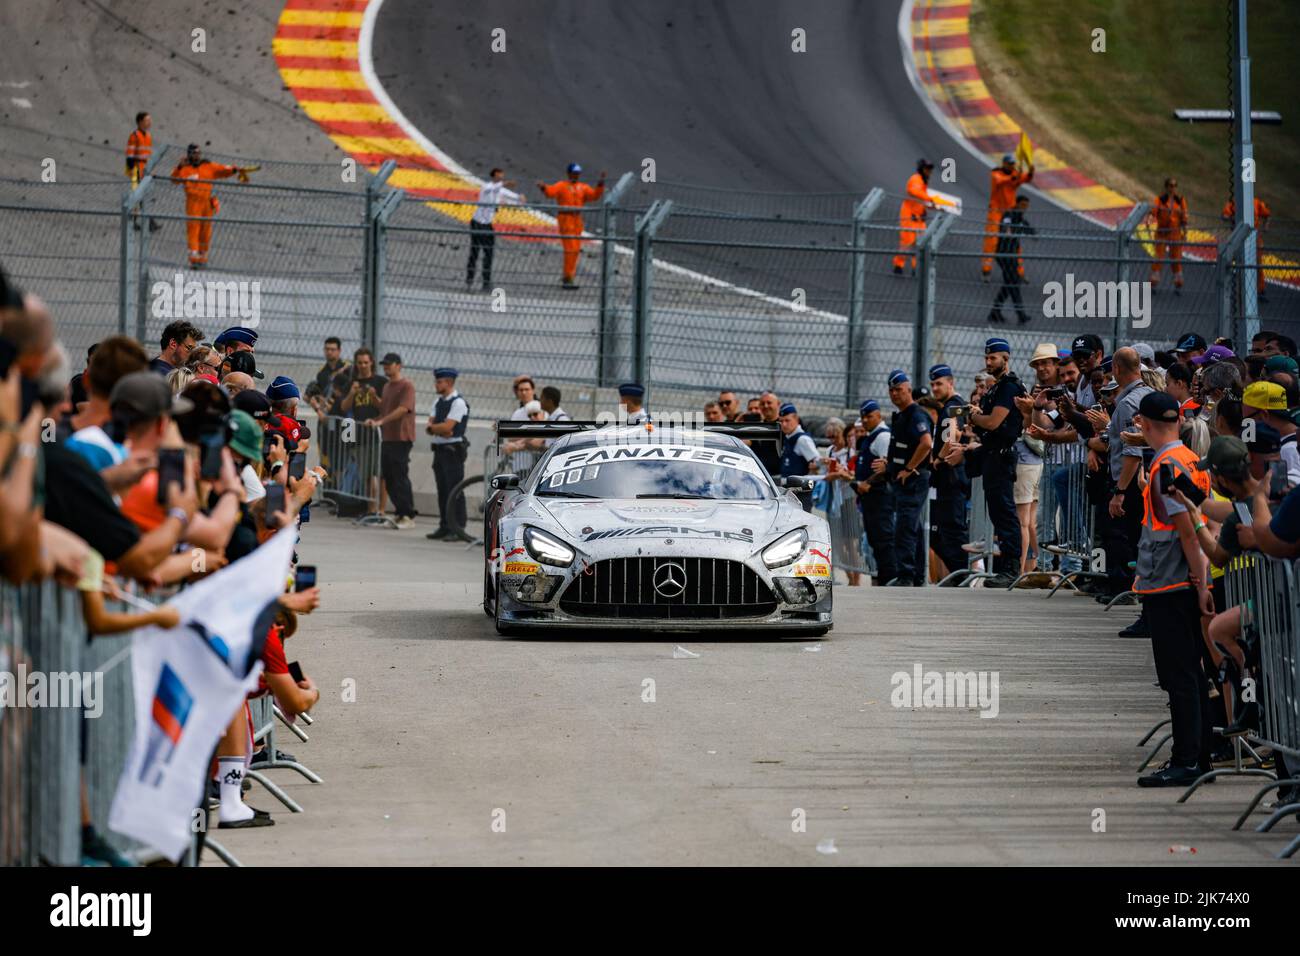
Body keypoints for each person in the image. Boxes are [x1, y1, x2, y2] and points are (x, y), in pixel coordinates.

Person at [1131, 391, 1214, 787]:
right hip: (1183, 578)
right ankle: (1199, 757)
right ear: (1177, 422)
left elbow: (1186, 530)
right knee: (1192, 672)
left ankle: (1187, 761)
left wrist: (1200, 583)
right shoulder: (1191, 459)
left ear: (1144, 425)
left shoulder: (1166, 465)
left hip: (1171, 581)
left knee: (1178, 673)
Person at [967, 338, 1026, 586]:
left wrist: (975, 417)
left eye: (994, 358)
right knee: (997, 513)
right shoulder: (997, 387)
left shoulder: (1009, 387)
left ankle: (1012, 568)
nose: (989, 362)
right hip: (992, 454)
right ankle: (1006, 567)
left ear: (1006, 358)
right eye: (987, 358)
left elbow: (993, 422)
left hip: (1002, 455)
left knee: (1004, 512)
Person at [1103, 348, 1154, 597]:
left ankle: (1124, 588)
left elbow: (1132, 451)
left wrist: (1119, 491)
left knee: (1123, 536)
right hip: (1146, 479)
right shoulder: (1150, 395)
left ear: (1116, 369)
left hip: (1131, 482)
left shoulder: (1126, 404)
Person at [169, 144, 255, 269]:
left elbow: (222, 169)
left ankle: (203, 257)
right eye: (194, 153)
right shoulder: (185, 169)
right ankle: (194, 258)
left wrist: (235, 169)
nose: (197, 155)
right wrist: (179, 166)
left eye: (198, 153)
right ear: (189, 155)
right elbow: (173, 180)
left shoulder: (208, 166)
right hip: (193, 203)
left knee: (206, 230)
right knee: (193, 229)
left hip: (206, 202)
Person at [885, 370, 932, 586]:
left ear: (908, 390)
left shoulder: (916, 414)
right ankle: (915, 575)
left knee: (905, 527)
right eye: (892, 390)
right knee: (911, 527)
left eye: (899, 390)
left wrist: (910, 468)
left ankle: (906, 575)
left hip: (912, 480)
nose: (895, 394)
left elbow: (926, 443)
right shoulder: (902, 415)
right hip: (903, 480)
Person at [927, 364, 970, 578]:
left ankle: (963, 575)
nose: (935, 388)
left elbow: (953, 433)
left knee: (950, 532)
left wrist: (938, 458)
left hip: (950, 478)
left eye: (939, 383)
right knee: (941, 533)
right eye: (932, 384)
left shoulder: (953, 405)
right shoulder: (956, 405)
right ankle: (960, 574)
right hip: (950, 479)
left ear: (950, 383)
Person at [535, 163, 606, 288]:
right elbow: (550, 192)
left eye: (578, 173)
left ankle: (569, 276)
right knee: (570, 249)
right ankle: (568, 277)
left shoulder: (582, 187)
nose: (576, 175)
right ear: (569, 174)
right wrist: (543, 187)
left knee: (576, 249)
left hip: (577, 219)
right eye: (574, 173)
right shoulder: (562, 185)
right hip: (565, 218)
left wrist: (600, 184)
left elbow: (594, 196)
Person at [368, 353, 417, 529]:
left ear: (399, 365)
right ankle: (399, 512)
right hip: (388, 437)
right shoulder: (388, 386)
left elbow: (403, 409)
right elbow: (385, 409)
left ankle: (408, 514)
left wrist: (382, 421)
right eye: (385, 364)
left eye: (390, 364)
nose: (386, 367)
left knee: (400, 475)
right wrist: (376, 417)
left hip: (401, 437)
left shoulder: (406, 386)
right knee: (388, 476)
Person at [854, 400, 896, 586]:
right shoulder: (871, 436)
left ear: (879, 416)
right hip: (870, 499)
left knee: (883, 540)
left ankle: (889, 578)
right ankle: (883, 577)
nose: (865, 420)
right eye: (863, 417)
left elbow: (886, 467)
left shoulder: (882, 436)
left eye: (869, 416)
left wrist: (868, 483)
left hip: (879, 496)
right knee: (875, 541)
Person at [425, 367, 469, 541]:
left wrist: (439, 428)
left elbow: (448, 428)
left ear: (449, 383)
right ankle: (444, 525)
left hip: (452, 451)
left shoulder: (458, 403)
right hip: (440, 450)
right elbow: (430, 426)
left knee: (454, 490)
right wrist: (439, 429)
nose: (436, 384)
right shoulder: (438, 402)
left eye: (439, 381)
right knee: (442, 489)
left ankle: (457, 527)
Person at [467, 167, 525, 290]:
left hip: (487, 224)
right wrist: (505, 184)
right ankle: (469, 280)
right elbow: (493, 189)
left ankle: (486, 282)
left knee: (489, 253)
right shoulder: (486, 187)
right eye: (499, 175)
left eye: (502, 176)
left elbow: (510, 196)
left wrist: (520, 198)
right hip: (477, 222)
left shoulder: (500, 191)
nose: (501, 177)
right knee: (475, 252)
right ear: (493, 176)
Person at [981, 153, 1034, 280]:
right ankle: (986, 271)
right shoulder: (996, 173)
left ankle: (1019, 273)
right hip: (996, 212)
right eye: (1009, 164)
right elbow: (1000, 181)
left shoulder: (1014, 174)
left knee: (1014, 243)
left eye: (1013, 164)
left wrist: (1031, 172)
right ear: (1004, 163)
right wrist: (1014, 176)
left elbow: (1026, 178)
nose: (1011, 166)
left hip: (1010, 213)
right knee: (992, 241)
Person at [987, 194, 1035, 324]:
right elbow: (1005, 225)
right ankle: (1020, 315)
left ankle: (995, 312)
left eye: (1026, 206)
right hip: (1004, 253)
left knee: (1010, 283)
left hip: (1011, 254)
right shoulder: (1010, 214)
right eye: (1023, 205)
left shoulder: (1020, 218)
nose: (1024, 208)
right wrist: (1007, 231)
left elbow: (1030, 230)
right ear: (1017, 204)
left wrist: (1034, 233)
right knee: (1013, 282)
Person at [1222, 195, 1272, 299]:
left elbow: (1267, 214)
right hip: (1239, 238)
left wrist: (1266, 226)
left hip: (1255, 239)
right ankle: (1237, 290)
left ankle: (1260, 290)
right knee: (1238, 263)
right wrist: (1232, 219)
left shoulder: (1256, 202)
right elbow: (1224, 215)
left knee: (1258, 265)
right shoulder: (1234, 202)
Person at [893, 158, 937, 275]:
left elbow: (922, 199)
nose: (929, 171)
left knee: (922, 242)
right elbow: (914, 192)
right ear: (922, 169)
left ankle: (915, 268)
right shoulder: (915, 179)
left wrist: (931, 206)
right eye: (927, 169)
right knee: (907, 243)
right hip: (909, 216)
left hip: (920, 217)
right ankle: (899, 264)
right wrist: (930, 199)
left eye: (930, 169)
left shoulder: (924, 182)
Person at [777, 402, 819, 512]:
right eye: (781, 421)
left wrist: (805, 484)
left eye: (787, 420)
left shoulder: (802, 440)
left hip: (800, 495)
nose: (784, 424)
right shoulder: (789, 438)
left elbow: (817, 464)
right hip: (789, 492)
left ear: (796, 419)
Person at [1150, 178, 1188, 292]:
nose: (1173, 188)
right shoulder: (1160, 200)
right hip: (1162, 232)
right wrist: (1149, 219)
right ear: (1166, 187)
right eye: (1171, 185)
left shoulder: (1180, 200)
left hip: (1175, 233)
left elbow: (1184, 217)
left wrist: (1185, 233)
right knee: (1159, 257)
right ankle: (1153, 282)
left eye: (1175, 185)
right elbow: (1153, 212)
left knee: (1176, 258)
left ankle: (1178, 283)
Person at [305, 336, 348, 419]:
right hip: (326, 414)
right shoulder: (322, 372)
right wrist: (311, 398)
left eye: (332, 349)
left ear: (339, 351)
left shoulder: (347, 368)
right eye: (327, 349)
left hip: (344, 414)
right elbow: (321, 395)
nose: (329, 352)